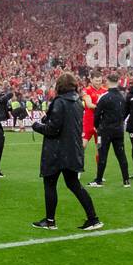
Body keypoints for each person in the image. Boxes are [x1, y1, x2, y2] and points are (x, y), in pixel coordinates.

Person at [32, 73, 102, 231]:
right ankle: (93, 218)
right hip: (71, 149)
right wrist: (46, 120)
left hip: (57, 151)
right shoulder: (77, 101)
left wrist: (37, 126)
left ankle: (50, 221)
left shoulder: (60, 102)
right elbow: (65, 124)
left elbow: (53, 129)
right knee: (74, 184)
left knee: (50, 184)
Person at [88, 72, 130, 187]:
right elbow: (125, 112)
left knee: (102, 155)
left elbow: (97, 114)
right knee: (121, 155)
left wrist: (97, 126)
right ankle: (126, 180)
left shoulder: (104, 97)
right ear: (117, 82)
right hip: (118, 130)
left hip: (105, 130)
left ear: (107, 82)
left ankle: (99, 180)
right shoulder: (122, 97)